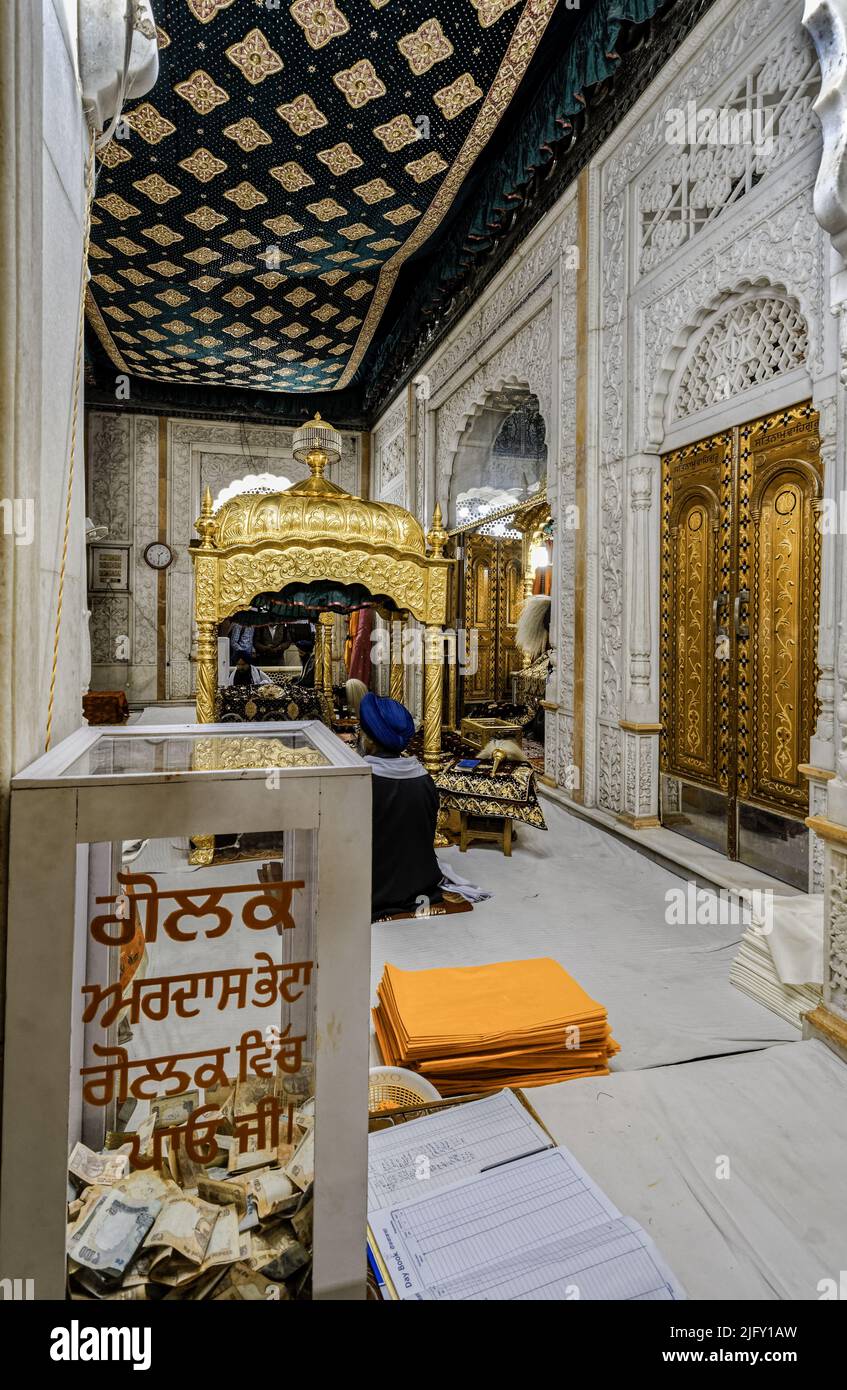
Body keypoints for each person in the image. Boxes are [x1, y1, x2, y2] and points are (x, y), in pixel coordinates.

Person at [358, 693, 442, 919]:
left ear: (370, 740)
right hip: (420, 883)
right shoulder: (424, 779)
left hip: (372, 889)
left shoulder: (361, 782)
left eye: (362, 731)